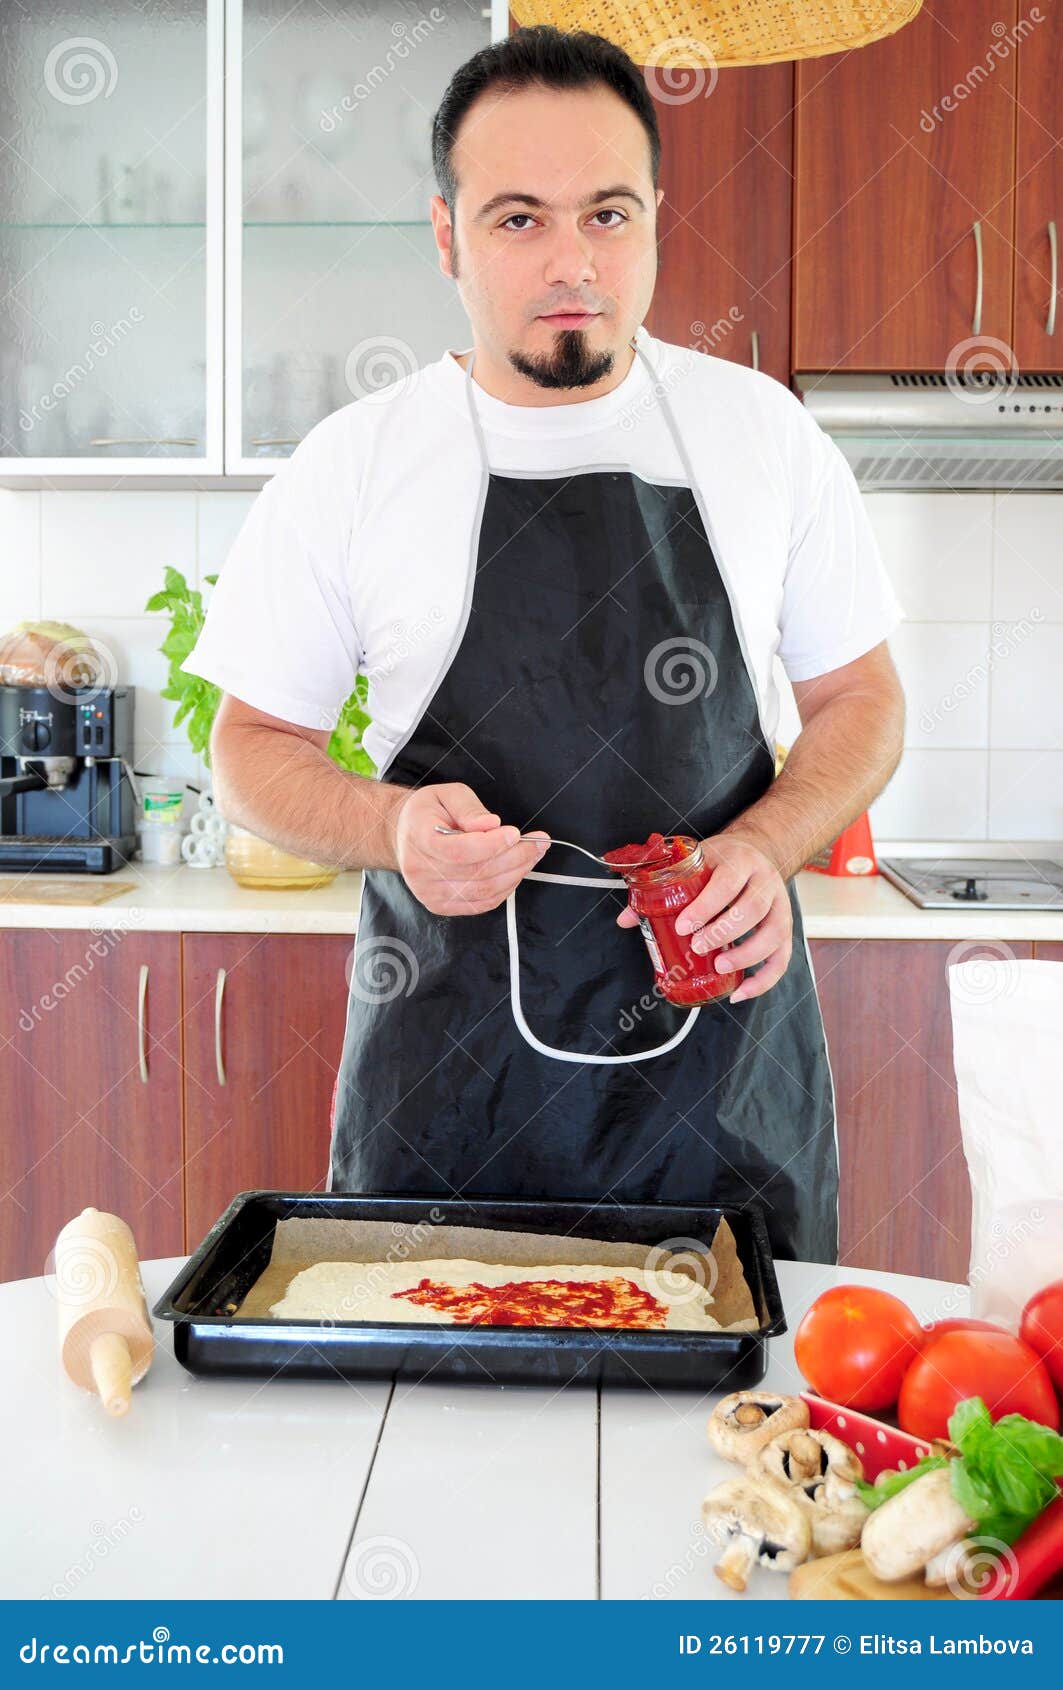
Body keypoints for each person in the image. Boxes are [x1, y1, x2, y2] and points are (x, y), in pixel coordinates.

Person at [183, 27, 905, 1264]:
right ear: (446, 231)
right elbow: (248, 749)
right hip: (450, 1091)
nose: (573, 262)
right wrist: (391, 829)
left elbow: (861, 698)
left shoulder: (762, 435)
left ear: (655, 219)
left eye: (608, 214)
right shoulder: (354, 465)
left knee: (732, 1447)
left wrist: (765, 846)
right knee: (433, 1439)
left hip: (719, 1081)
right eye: (518, 218)